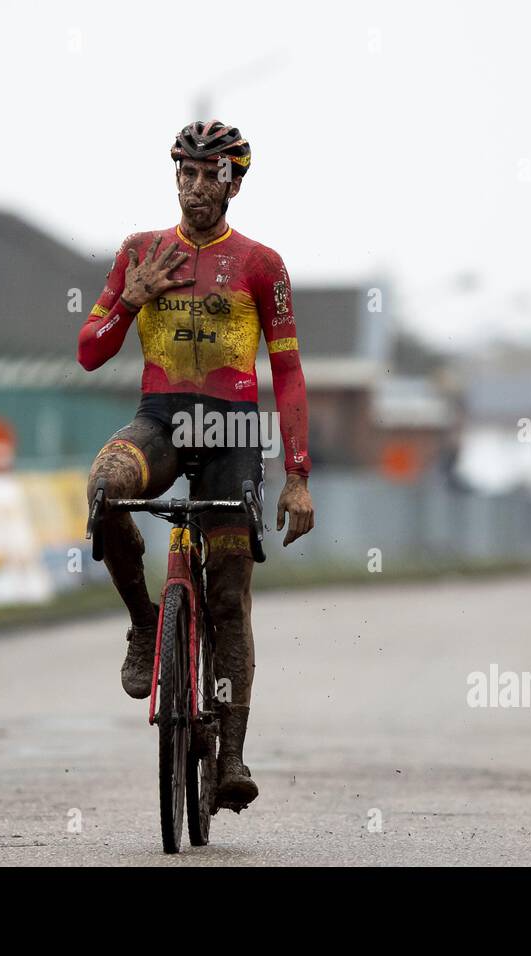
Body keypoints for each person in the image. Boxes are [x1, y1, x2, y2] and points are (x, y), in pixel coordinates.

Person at [76, 121, 315, 810]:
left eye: (212, 175)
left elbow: (289, 372)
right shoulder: (139, 252)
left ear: (236, 183)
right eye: (186, 171)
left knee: (230, 594)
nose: (197, 186)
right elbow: (90, 351)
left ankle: (232, 756)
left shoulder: (260, 265)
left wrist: (297, 474)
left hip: (234, 429)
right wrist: (130, 298)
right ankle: (146, 623)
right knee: (104, 489)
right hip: (160, 422)